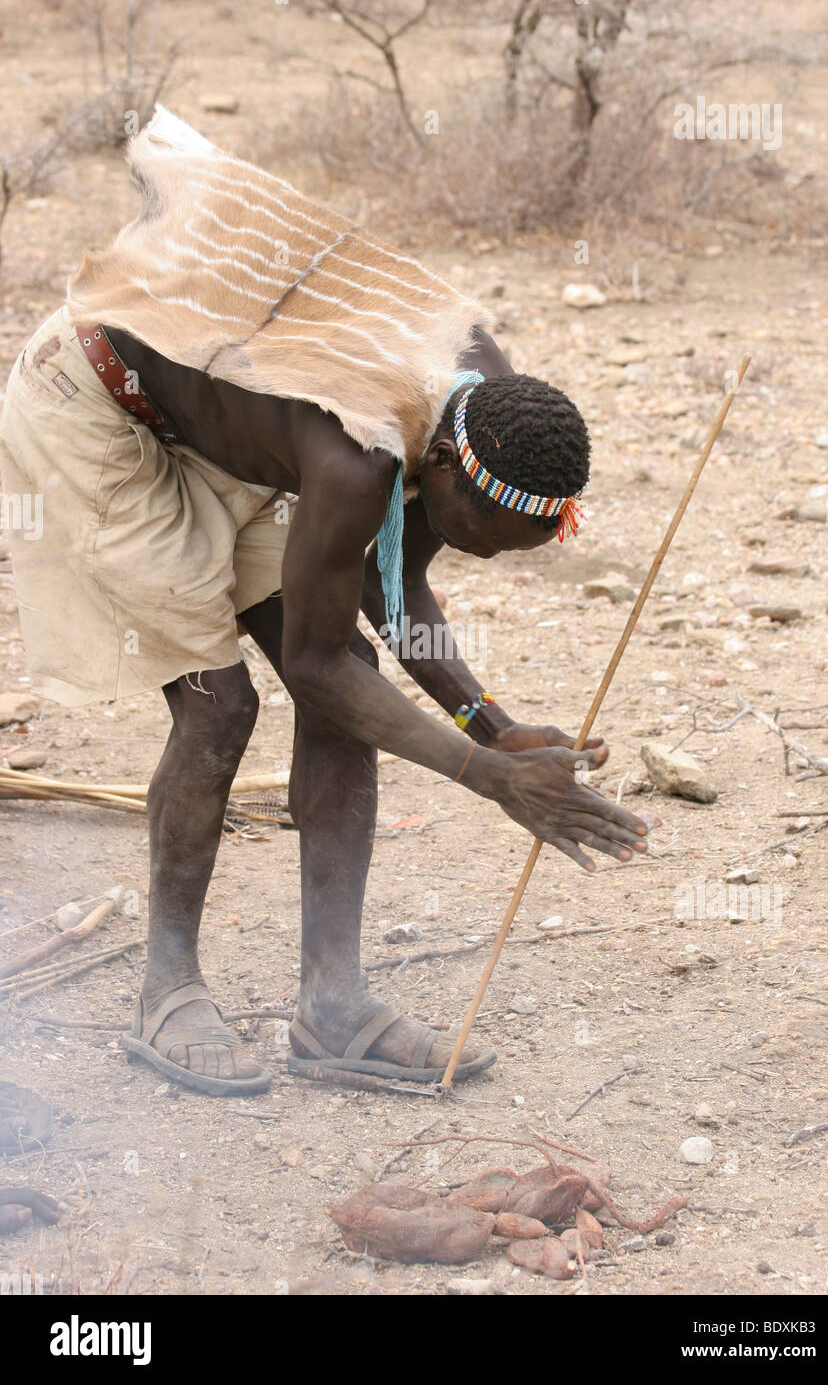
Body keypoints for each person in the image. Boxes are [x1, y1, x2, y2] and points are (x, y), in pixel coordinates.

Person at [0, 109, 647, 1094]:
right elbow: (311, 656)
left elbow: (394, 592)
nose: (477, 555)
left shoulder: (486, 408)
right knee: (224, 703)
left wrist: (496, 727)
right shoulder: (360, 457)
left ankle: (332, 1006)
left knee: (352, 684)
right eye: (477, 534)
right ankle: (168, 987)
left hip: (213, 404)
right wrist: (482, 774)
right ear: (436, 468)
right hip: (95, 396)